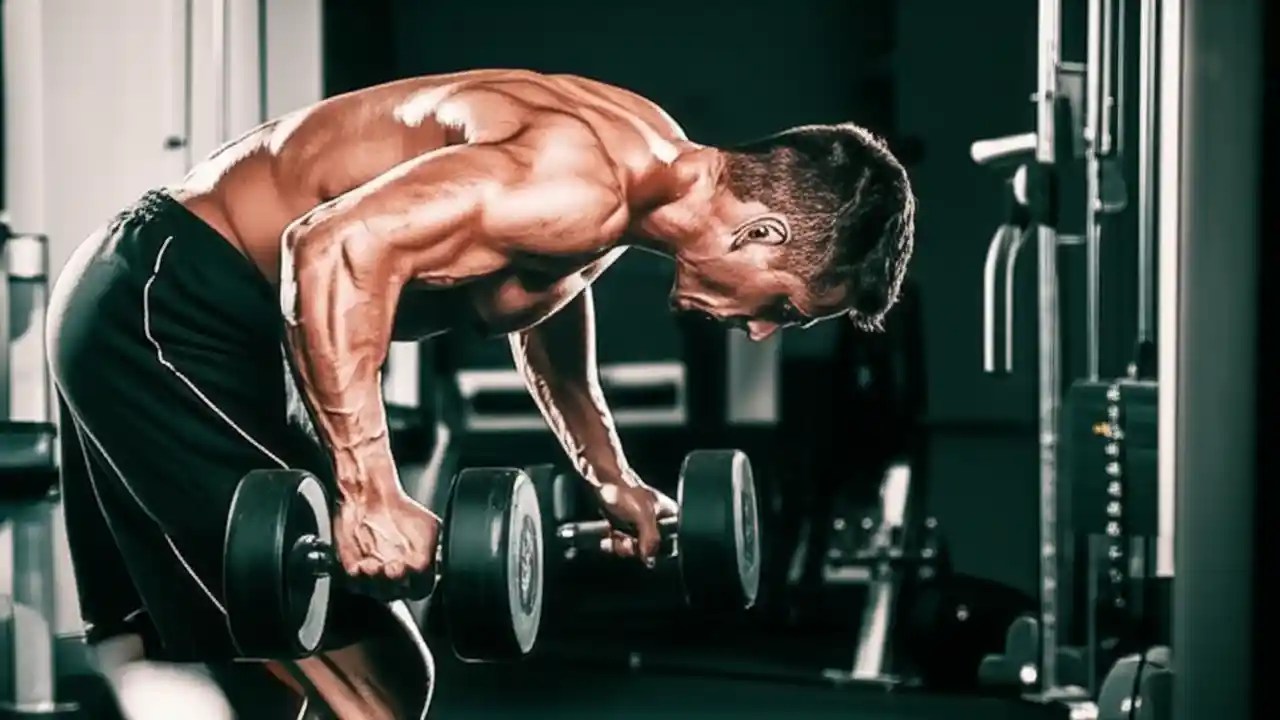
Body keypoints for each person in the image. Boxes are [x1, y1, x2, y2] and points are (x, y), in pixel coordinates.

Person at [46, 68, 916, 719]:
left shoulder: (642, 163)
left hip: (167, 300)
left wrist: (607, 473)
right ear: (763, 232)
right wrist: (368, 492)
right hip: (171, 309)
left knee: (235, 668)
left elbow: (549, 299)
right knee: (379, 685)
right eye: (786, 308)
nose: (763, 332)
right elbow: (333, 248)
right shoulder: (573, 185)